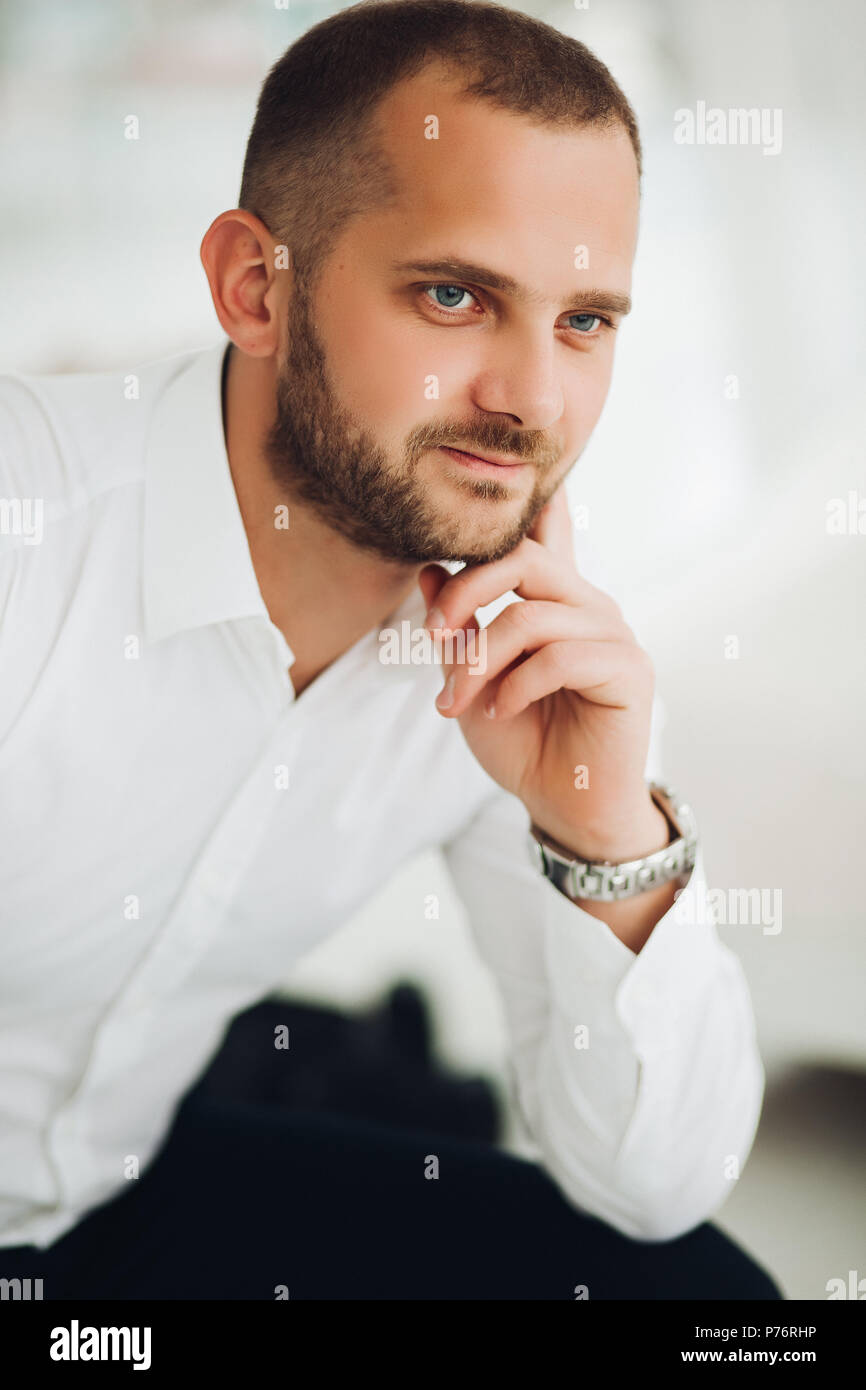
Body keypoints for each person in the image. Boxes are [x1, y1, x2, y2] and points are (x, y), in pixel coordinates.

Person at [0, 0, 781, 1300]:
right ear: (256, 286)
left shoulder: (520, 638)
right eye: (455, 294)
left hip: (110, 1200)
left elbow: (648, 1184)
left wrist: (604, 836)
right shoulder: (28, 537)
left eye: (585, 322)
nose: (532, 400)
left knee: (708, 1311)